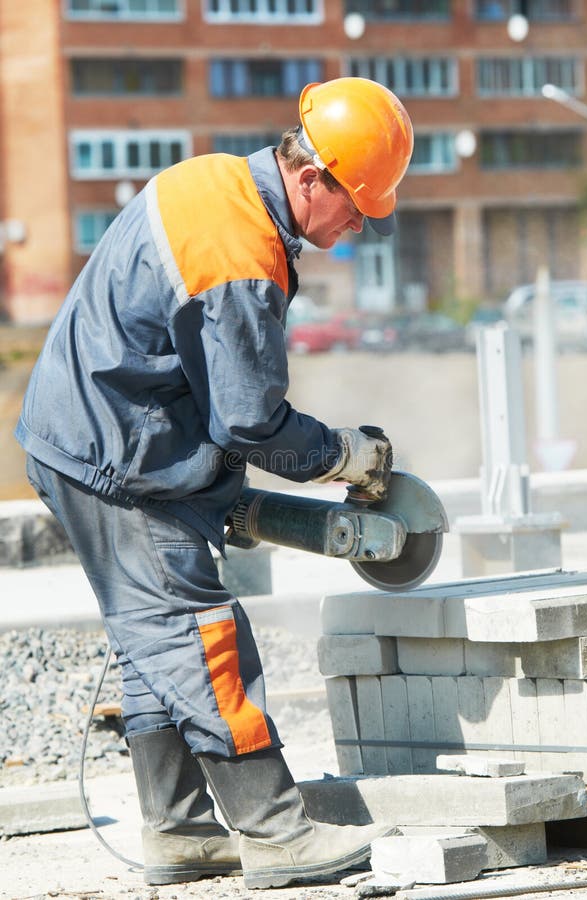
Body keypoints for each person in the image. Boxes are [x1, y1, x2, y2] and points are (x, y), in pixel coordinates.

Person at [16, 77, 414, 890]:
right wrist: (346, 456)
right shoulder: (237, 253)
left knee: (151, 638)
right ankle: (273, 831)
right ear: (313, 177)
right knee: (200, 630)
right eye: (356, 207)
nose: (358, 226)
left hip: (94, 430)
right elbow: (250, 421)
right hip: (116, 459)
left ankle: (180, 829)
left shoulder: (219, 182)